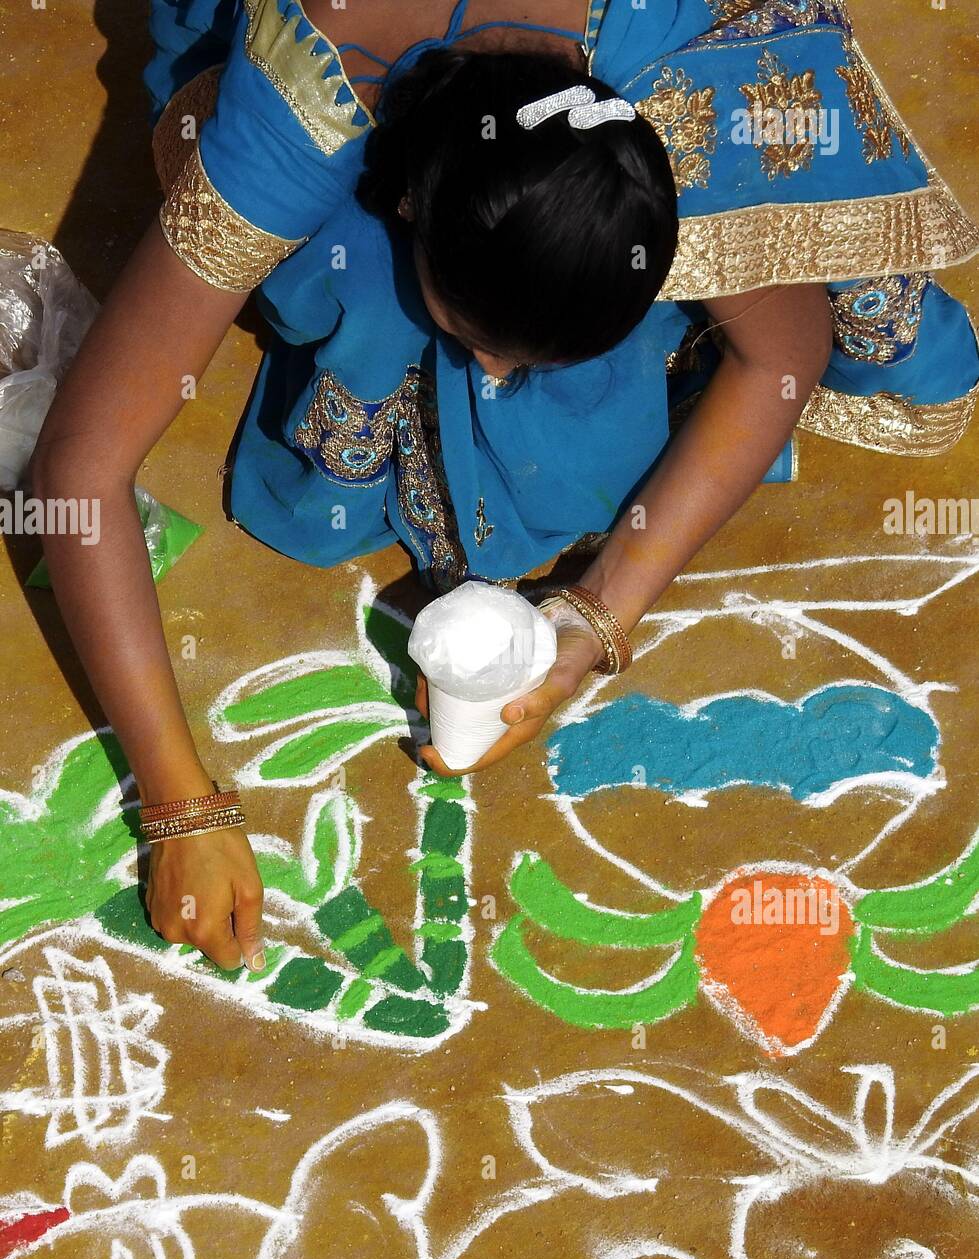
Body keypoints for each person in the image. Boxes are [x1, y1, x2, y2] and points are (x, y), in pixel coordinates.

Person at [31, 0, 979, 972]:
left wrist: (598, 615)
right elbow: (80, 465)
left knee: (706, 335)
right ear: (410, 204)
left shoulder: (701, 76)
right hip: (349, 112)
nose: (492, 373)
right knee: (362, 294)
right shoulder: (309, 82)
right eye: (478, 337)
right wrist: (180, 805)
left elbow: (782, 347)